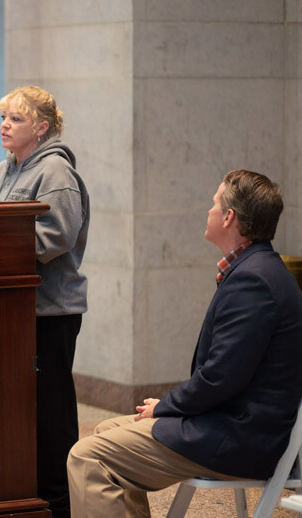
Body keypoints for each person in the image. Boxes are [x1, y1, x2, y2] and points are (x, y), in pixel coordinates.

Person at [67, 170, 302, 517]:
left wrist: (164, 407)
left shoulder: (254, 280)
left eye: (213, 203)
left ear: (229, 217)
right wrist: (168, 406)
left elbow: (219, 378)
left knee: (87, 458)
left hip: (238, 439)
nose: (207, 210)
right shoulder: (258, 269)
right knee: (104, 430)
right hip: (233, 424)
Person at [0, 86, 90, 518]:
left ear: (42, 127)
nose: (4, 125)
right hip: (9, 309)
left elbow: (57, 236)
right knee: (15, 410)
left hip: (49, 313)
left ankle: (60, 506)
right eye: (3, 117)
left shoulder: (57, 173)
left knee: (50, 417)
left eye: (16, 119)